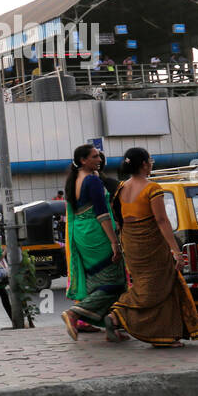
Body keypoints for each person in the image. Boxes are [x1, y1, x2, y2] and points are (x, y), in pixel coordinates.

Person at [109, 147, 198, 347]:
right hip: (151, 246)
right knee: (154, 288)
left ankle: (163, 335)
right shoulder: (152, 188)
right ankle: (118, 314)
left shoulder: (120, 188)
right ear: (144, 164)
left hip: (132, 245)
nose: (151, 163)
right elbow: (162, 221)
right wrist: (176, 251)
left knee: (156, 286)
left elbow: (119, 222)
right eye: (150, 160)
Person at [61, 144, 126, 341]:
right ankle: (75, 313)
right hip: (97, 233)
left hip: (81, 234)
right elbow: (102, 214)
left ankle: (111, 328)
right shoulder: (92, 180)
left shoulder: (73, 180)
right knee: (115, 282)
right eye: (95, 157)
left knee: (96, 282)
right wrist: (114, 242)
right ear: (83, 160)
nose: (99, 160)